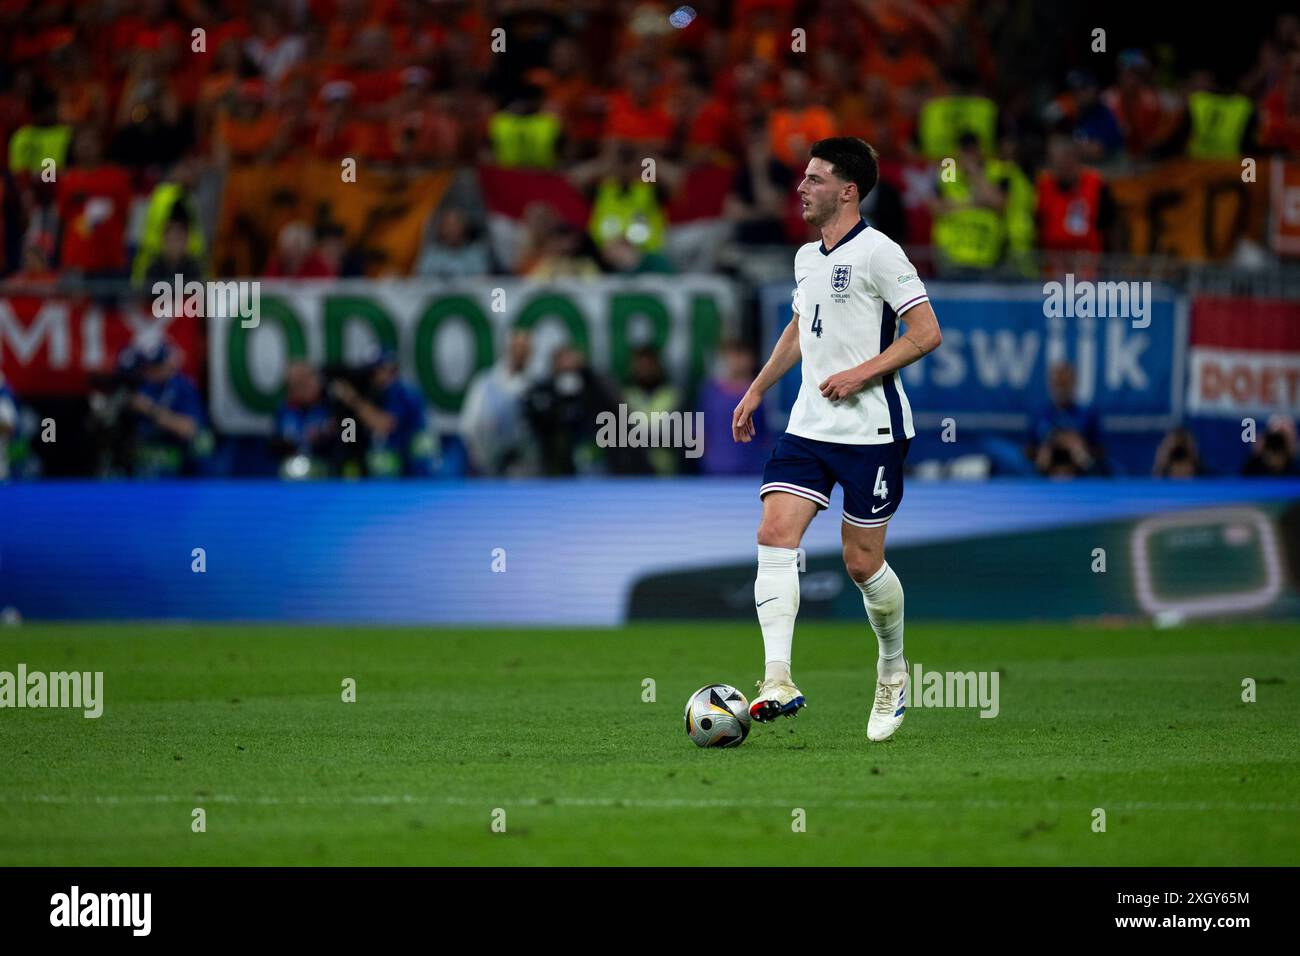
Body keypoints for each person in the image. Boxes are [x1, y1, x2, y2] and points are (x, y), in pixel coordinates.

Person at [730, 137, 942, 742]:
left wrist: (861, 371)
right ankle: (777, 679)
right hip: (807, 425)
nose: (801, 188)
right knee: (774, 532)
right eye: (803, 177)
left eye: (815, 179)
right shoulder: (805, 257)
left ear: (848, 191)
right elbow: (799, 329)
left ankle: (894, 671)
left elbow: (926, 332)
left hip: (872, 431)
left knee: (860, 562)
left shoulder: (881, 254)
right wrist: (757, 390)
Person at [460, 328, 537, 476]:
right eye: (516, 348)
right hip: (487, 461)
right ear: (508, 349)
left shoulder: (535, 385)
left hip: (523, 465)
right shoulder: (485, 382)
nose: (520, 353)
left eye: (525, 349)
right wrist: (476, 455)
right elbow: (469, 423)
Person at [1027, 361, 1106, 478]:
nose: (1061, 390)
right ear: (1051, 384)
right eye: (1057, 384)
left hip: (1080, 472)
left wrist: (1079, 447)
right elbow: (1028, 449)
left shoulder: (1088, 414)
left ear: (1074, 384)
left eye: (1065, 384)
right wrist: (1045, 448)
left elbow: (1100, 450)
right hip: (1045, 471)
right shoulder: (1040, 414)